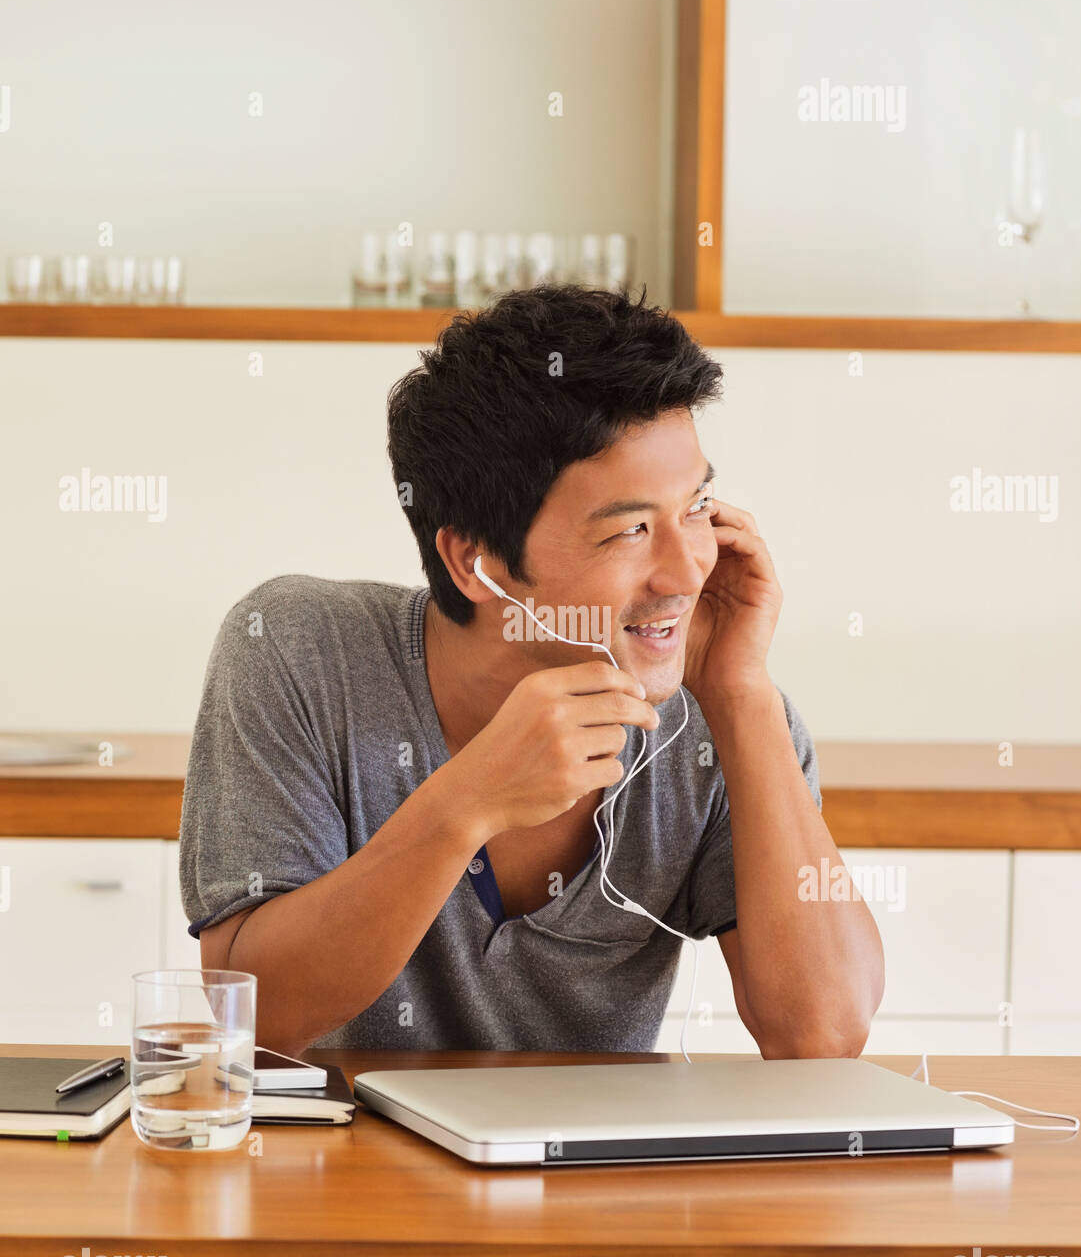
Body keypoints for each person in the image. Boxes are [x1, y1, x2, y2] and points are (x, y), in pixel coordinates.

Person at [180, 284, 883, 1056]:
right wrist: (464, 805)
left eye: (695, 507)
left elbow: (821, 1037)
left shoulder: (722, 713)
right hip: (344, 1171)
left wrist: (741, 697)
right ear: (475, 561)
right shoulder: (300, 649)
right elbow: (255, 1016)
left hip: (590, 1173)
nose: (686, 572)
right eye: (629, 531)